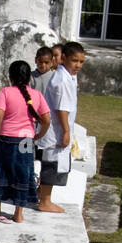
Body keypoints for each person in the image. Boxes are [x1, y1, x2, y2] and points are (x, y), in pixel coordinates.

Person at [0, 60, 50, 223]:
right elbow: (47, 119)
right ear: (30, 78)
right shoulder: (37, 95)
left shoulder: (5, 92)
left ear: (10, 77)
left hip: (6, 139)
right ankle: (18, 213)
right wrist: (39, 135)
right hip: (27, 141)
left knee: (1, 172)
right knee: (23, 174)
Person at [38, 41, 85, 213]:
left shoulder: (68, 75)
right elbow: (62, 108)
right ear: (63, 58)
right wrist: (66, 132)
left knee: (56, 163)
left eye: (81, 62)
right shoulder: (61, 80)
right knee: (51, 164)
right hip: (56, 130)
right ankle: (44, 200)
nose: (78, 65)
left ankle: (42, 194)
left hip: (60, 128)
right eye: (74, 61)